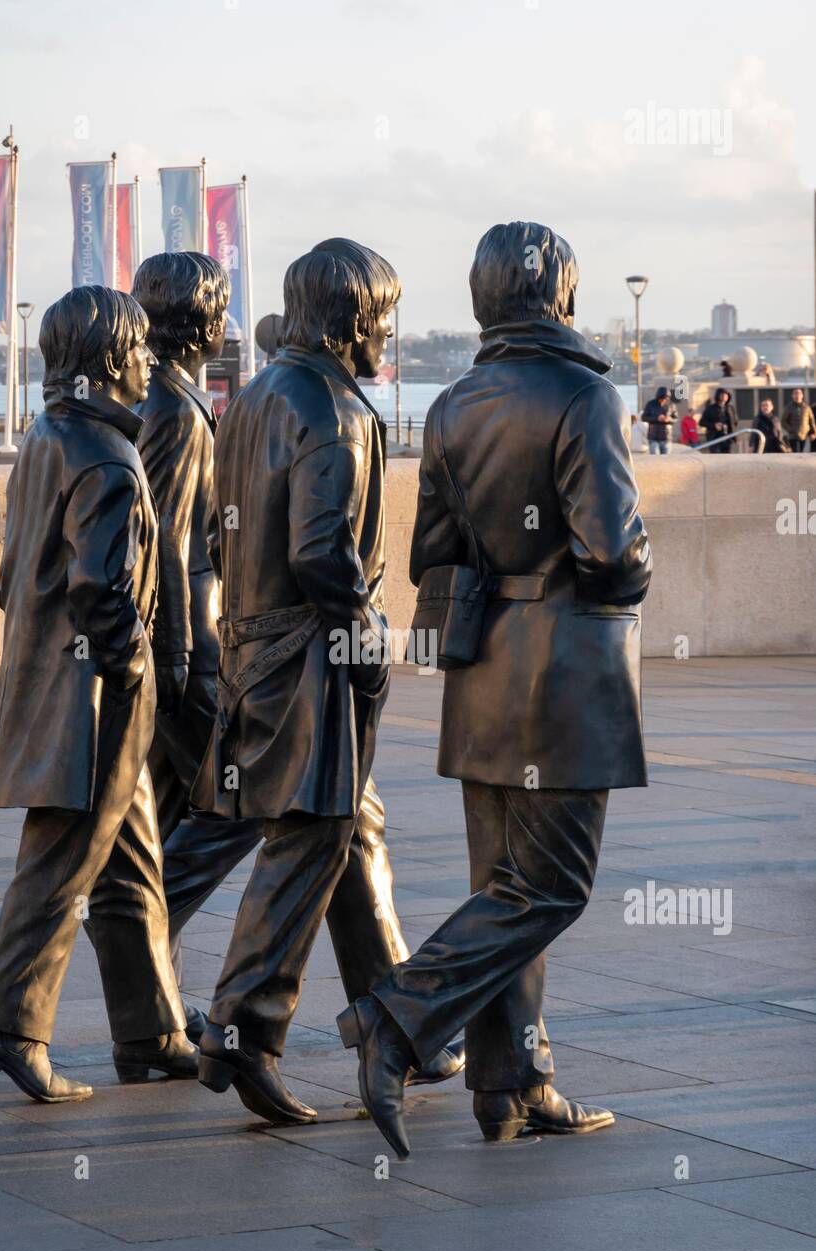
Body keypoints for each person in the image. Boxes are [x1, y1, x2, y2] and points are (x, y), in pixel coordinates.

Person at [336, 222, 652, 1157]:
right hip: (562, 678)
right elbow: (613, 554)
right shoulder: (585, 395)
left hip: (484, 673)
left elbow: (432, 552)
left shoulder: (451, 406)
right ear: (559, 295)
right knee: (549, 887)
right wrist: (639, 559)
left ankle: (513, 1084)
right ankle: (393, 1021)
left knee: (503, 884)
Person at [131, 250, 462, 1086]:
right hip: (312, 663)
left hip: (255, 650)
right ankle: (246, 1037)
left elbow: (219, 536)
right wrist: (367, 647)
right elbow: (323, 554)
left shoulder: (250, 400)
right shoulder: (334, 409)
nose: (389, 334)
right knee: (311, 834)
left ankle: (396, 1019)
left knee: (355, 829)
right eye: (383, 317)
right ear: (353, 320)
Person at [0, 286, 195, 1102]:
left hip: (55, 682)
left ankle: (153, 1030)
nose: (150, 364)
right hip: (93, 698)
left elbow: (9, 579)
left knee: (132, 863)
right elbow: (103, 588)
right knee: (63, 864)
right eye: (139, 352)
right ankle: (9, 1026)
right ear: (109, 361)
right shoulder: (108, 456)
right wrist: (133, 665)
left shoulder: (46, 438)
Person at [700, 388, 737, 453]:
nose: (725, 396)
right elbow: (702, 422)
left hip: (727, 438)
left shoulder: (730, 408)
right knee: (717, 457)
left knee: (728, 458)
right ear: (718, 395)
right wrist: (714, 425)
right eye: (722, 394)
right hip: (714, 438)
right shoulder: (710, 408)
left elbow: (735, 421)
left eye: (726, 395)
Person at [641, 387, 677, 454]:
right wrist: (657, 418)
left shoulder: (671, 405)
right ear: (658, 397)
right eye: (662, 399)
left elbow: (676, 418)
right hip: (653, 437)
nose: (663, 401)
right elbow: (643, 417)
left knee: (666, 460)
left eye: (665, 399)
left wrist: (669, 419)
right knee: (655, 459)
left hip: (667, 438)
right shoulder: (650, 404)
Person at [780, 388, 815, 454]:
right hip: (793, 436)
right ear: (792, 395)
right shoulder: (789, 407)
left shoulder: (806, 407)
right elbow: (783, 421)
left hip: (804, 435)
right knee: (795, 453)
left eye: (799, 393)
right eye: (795, 393)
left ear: (802, 395)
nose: (797, 395)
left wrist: (813, 432)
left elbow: (811, 421)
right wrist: (791, 429)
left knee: (802, 452)